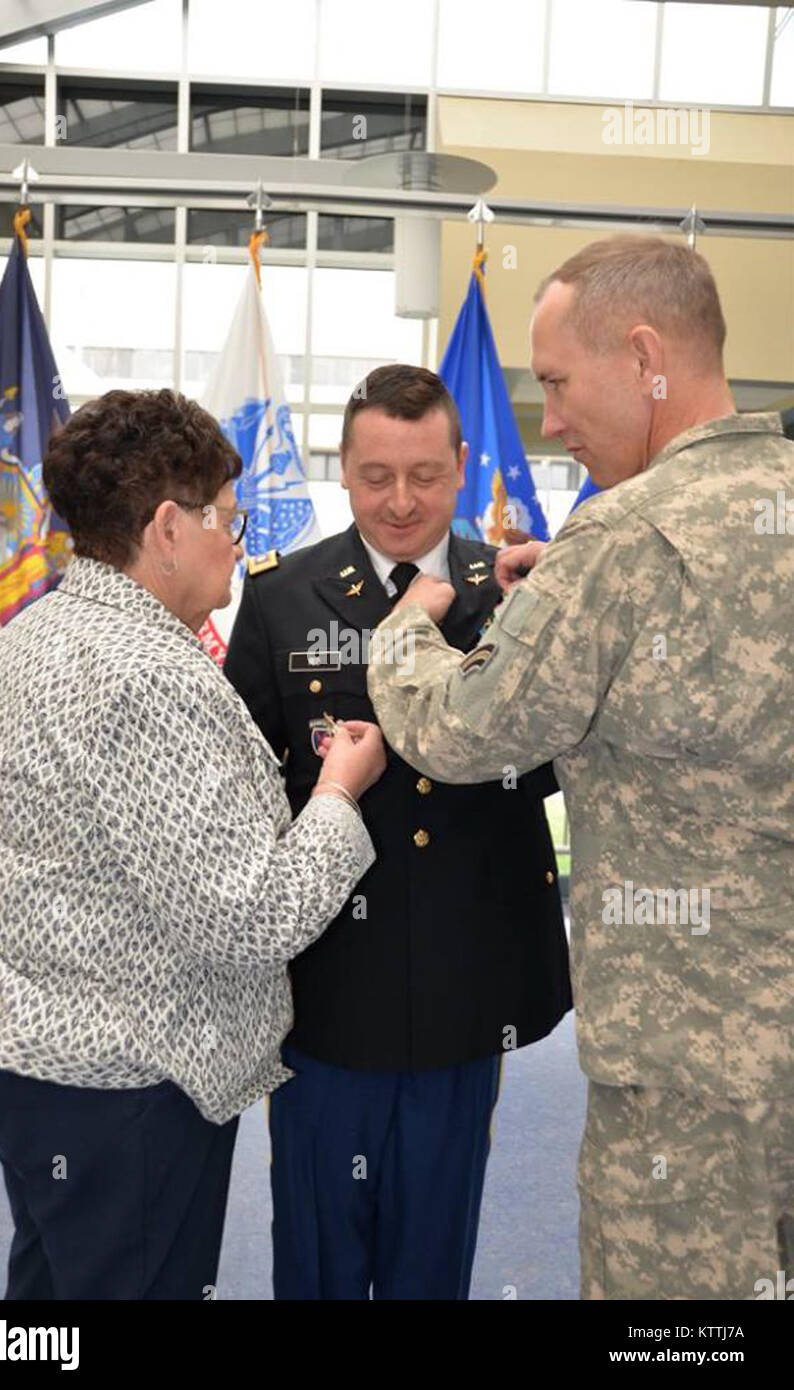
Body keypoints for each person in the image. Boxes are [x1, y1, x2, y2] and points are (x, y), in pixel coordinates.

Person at [368, 236, 794, 1300]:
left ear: (644, 354)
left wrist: (404, 631)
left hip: (689, 1062)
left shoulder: (620, 539)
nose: (547, 421)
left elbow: (459, 730)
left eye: (555, 383)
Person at [0, 388, 385, 1300]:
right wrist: (340, 792)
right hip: (112, 1073)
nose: (240, 540)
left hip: (3, 1027)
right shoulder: (144, 675)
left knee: (56, 1279)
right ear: (169, 529)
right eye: (228, 517)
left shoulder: (35, 631)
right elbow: (256, 917)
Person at [224, 364, 570, 1300]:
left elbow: (551, 767)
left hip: (465, 985)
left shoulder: (518, 594)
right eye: (377, 475)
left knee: (432, 1256)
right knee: (319, 1252)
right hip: (329, 993)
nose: (402, 500)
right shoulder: (283, 595)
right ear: (344, 469)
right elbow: (249, 788)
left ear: (463, 466)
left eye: (425, 473)